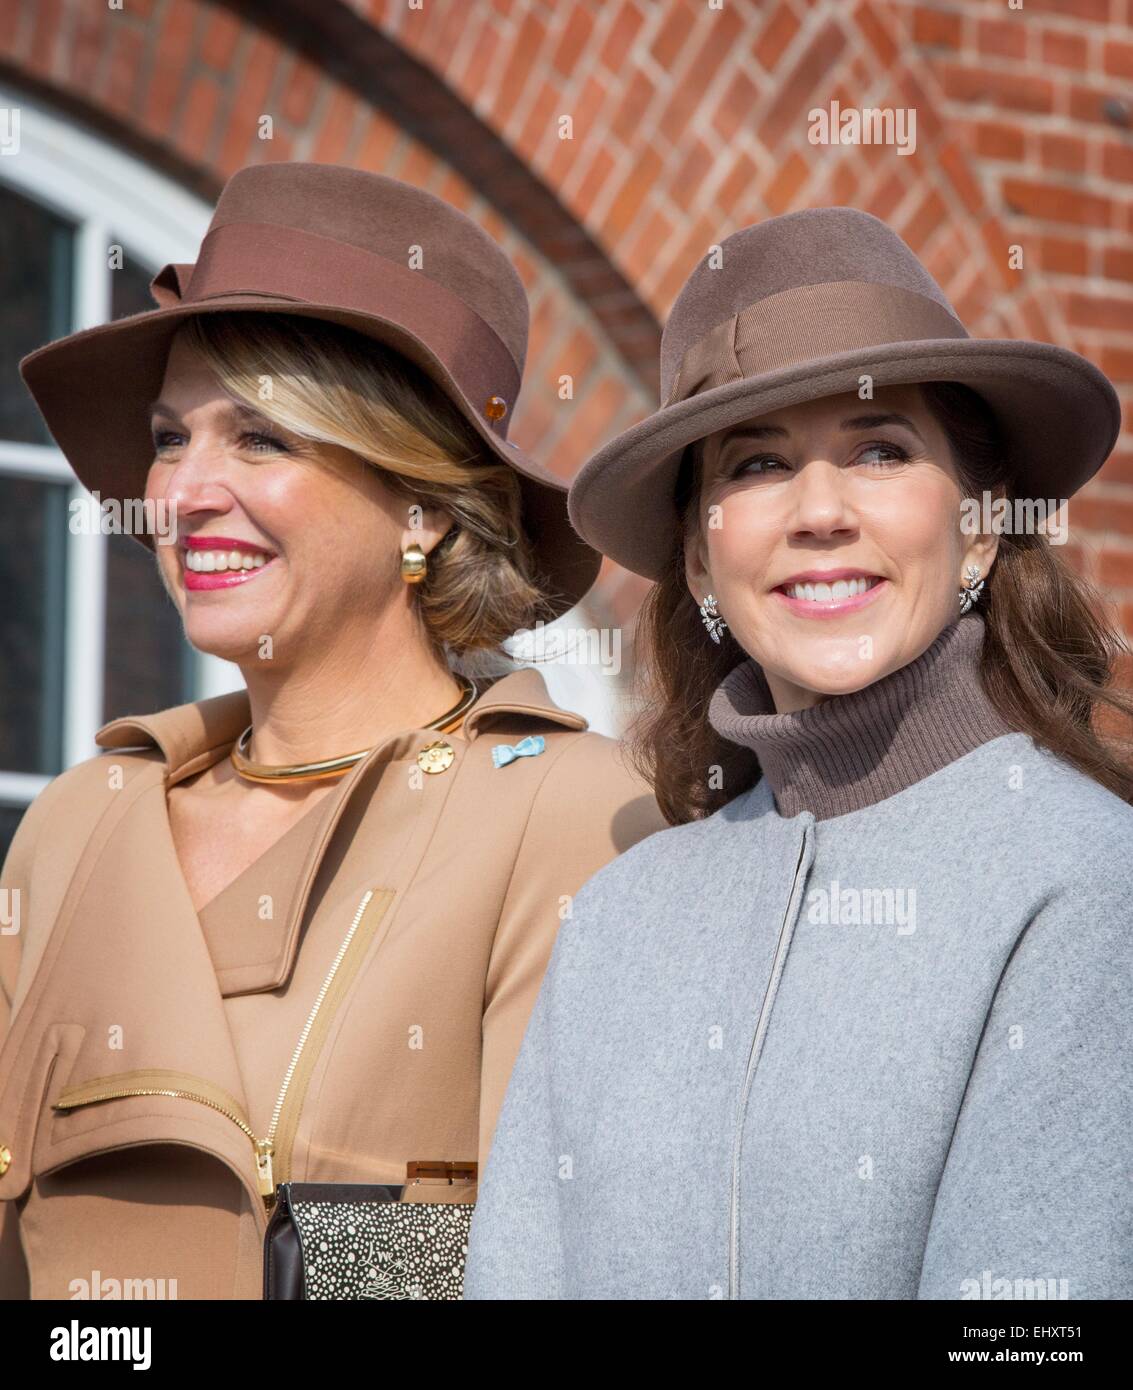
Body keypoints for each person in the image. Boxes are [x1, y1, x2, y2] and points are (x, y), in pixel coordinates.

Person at [0, 161, 666, 1299]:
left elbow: (555, 1262)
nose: (185, 492)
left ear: (419, 502)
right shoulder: (80, 821)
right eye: (172, 437)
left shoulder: (561, 815)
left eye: (260, 438)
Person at [463, 206, 1133, 1300]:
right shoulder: (618, 917)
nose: (818, 510)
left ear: (974, 526)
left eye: (878, 449)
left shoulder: (1086, 880)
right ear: (694, 558)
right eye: (759, 464)